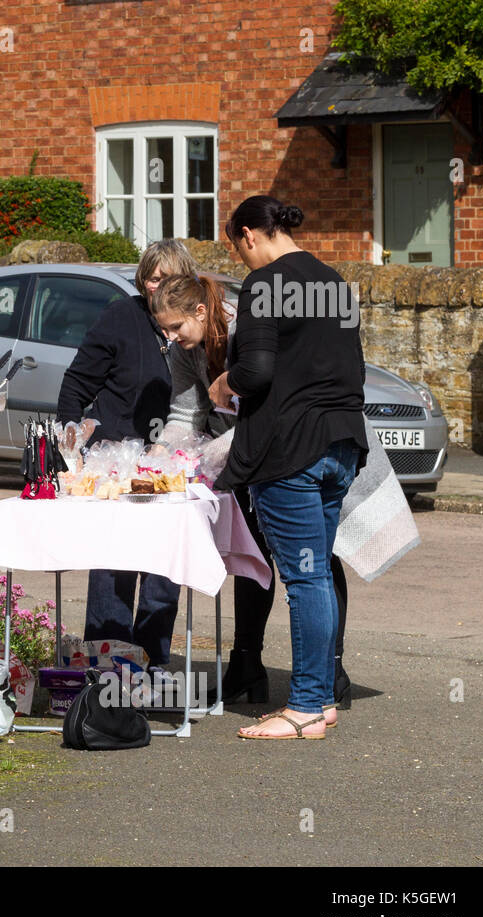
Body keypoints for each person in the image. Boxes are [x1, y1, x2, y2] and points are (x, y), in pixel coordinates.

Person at [209, 196, 370, 740]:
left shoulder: (265, 285)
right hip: (342, 444)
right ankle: (320, 699)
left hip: (290, 451)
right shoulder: (335, 284)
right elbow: (353, 368)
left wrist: (223, 383)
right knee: (317, 573)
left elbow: (253, 371)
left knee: (304, 579)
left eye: (239, 248)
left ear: (250, 235)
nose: (243, 261)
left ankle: (302, 709)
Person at [152, 272, 352, 710]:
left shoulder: (249, 328)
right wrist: (161, 457)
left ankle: (330, 669)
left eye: (175, 328)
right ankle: (246, 666)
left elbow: (273, 407)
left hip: (296, 449)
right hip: (243, 460)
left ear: (201, 312)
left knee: (316, 560)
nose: (169, 338)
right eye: (163, 330)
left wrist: (215, 455)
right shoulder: (186, 349)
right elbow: (186, 413)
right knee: (253, 556)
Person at [56, 238, 199, 680]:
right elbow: (77, 382)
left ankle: (152, 662)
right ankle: (106, 664)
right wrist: (70, 441)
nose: (157, 287)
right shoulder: (122, 317)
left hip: (171, 465)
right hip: (115, 461)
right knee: (113, 563)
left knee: (162, 569)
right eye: (151, 278)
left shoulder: (192, 327)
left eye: (167, 279)